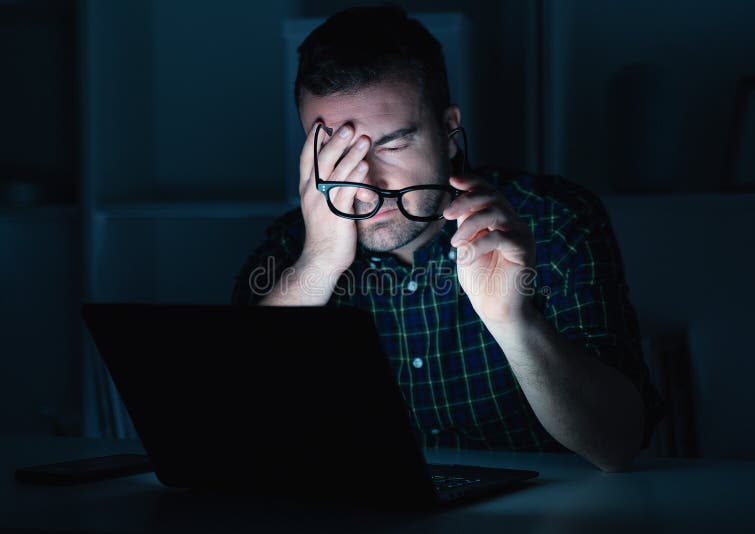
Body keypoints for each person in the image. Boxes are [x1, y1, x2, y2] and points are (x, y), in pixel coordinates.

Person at [232, 5, 663, 472]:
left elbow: (618, 444)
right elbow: (228, 423)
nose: (368, 183)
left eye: (393, 145)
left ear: (449, 132)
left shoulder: (555, 220)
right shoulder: (289, 249)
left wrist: (514, 323)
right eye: (338, 156)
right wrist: (317, 261)